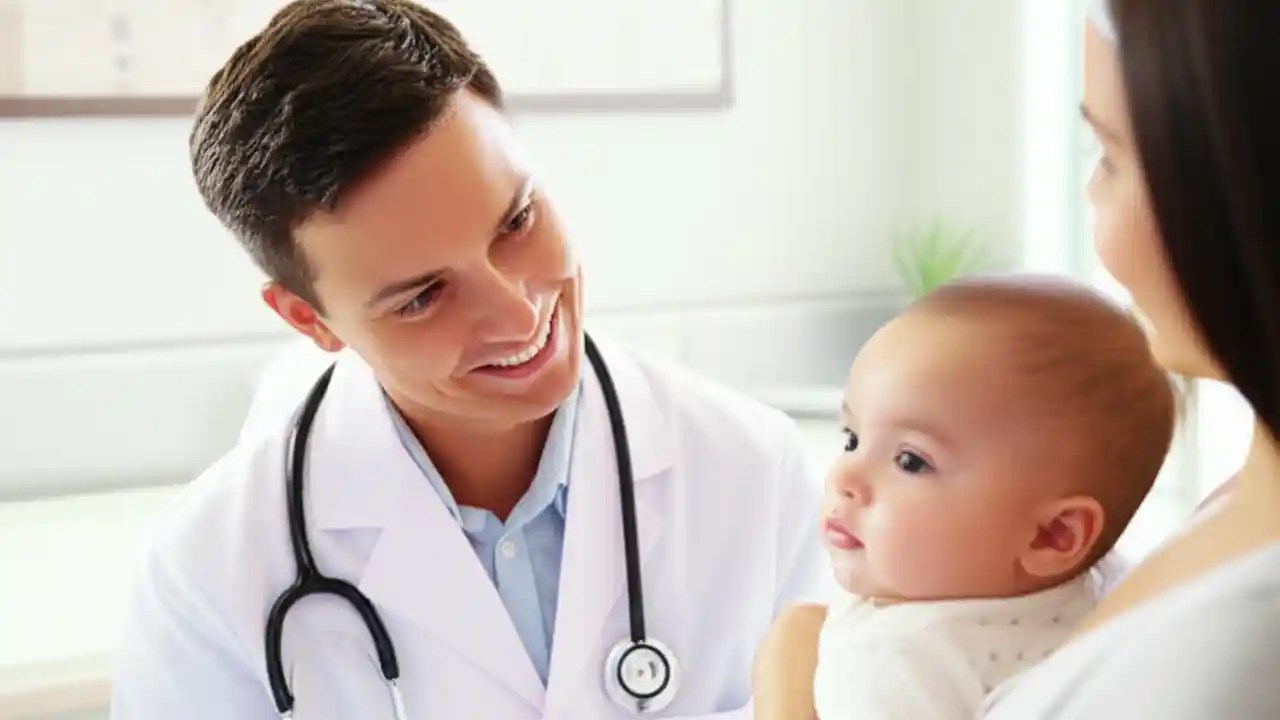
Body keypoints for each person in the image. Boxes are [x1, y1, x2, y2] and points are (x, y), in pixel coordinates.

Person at [108, 1, 826, 717]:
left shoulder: (752, 472)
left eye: (517, 221)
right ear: (310, 320)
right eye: (422, 297)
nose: (518, 314)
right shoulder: (205, 578)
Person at [754, 0, 1280, 717]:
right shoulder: (1231, 512)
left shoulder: (1235, 637)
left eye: (1112, 158)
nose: (1092, 188)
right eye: (851, 438)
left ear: (1232, 189)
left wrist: (787, 689)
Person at [815, 277, 1174, 719]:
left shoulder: (893, 665)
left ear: (1053, 536)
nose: (846, 476)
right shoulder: (1112, 590)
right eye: (851, 438)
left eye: (910, 461)